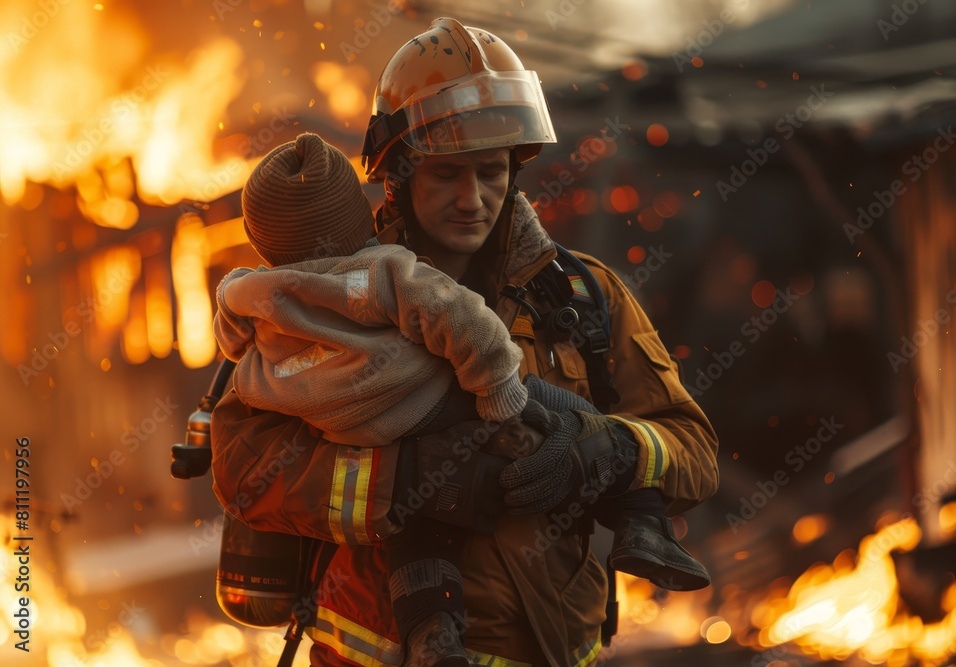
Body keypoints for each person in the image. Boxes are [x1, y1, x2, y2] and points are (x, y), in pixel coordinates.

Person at [210, 17, 719, 666]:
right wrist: (410, 482)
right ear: (397, 176)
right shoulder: (329, 298)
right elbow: (244, 470)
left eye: (491, 171)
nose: (472, 199)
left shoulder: (586, 296)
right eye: (446, 174)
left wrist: (608, 452)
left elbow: (695, 450)